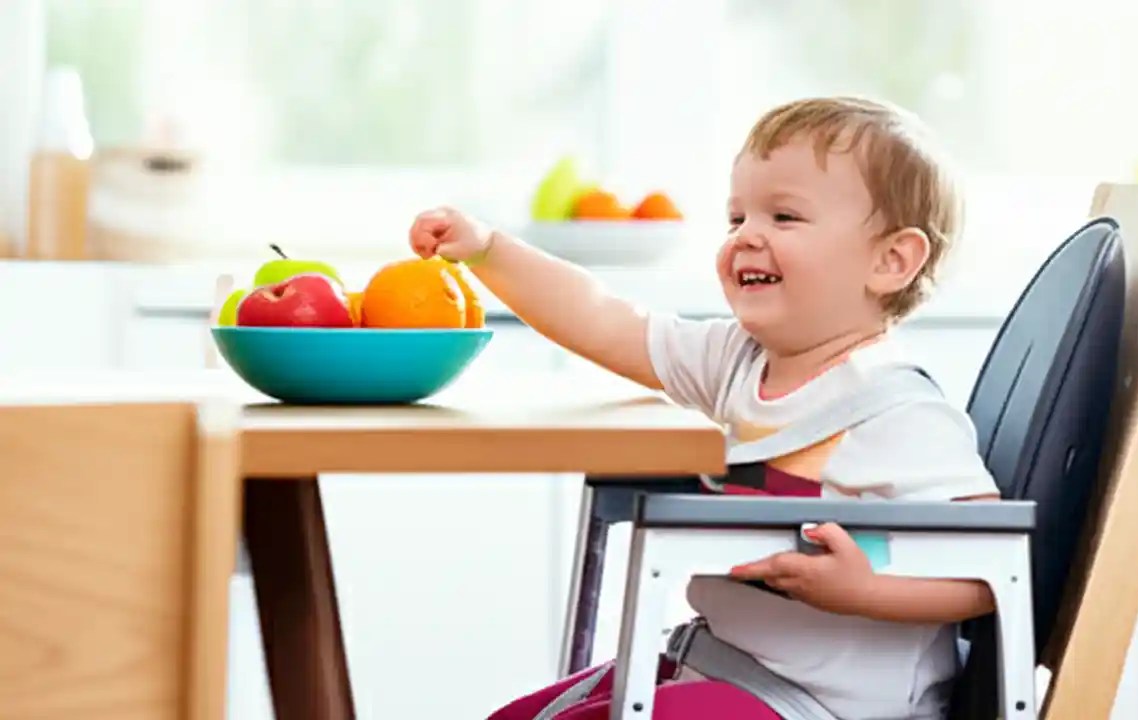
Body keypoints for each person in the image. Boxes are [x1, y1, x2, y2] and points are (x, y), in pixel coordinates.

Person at [410, 96, 1000, 719]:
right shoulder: (738, 358)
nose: (747, 235)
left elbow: (988, 565)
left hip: (825, 708)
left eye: (785, 216)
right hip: (723, 666)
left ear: (890, 261)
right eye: (737, 217)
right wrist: (488, 251)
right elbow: (605, 320)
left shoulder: (896, 409)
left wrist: (865, 589)